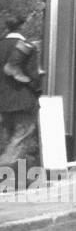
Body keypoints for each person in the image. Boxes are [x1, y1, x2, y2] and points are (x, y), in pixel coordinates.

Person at [0, 13, 43, 164]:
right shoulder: (27, 46)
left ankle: (13, 175)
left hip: (3, 103)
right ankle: (4, 175)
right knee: (19, 139)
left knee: (7, 140)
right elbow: (32, 75)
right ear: (22, 26)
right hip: (23, 101)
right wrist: (38, 89)